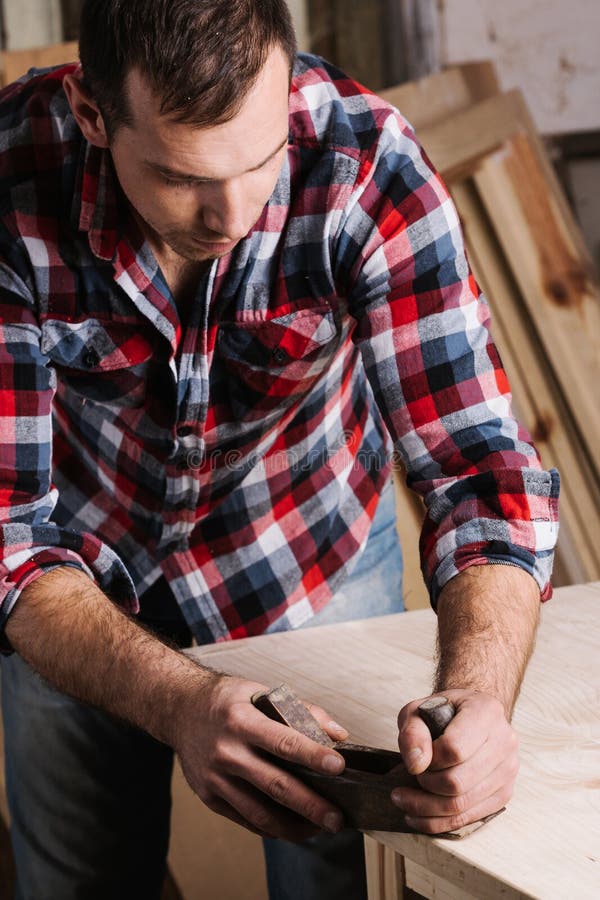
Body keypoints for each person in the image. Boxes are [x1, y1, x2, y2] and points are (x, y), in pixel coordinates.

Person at [0, 1, 559, 898]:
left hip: (305, 549)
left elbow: (480, 471)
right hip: (74, 581)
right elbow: (6, 539)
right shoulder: (9, 182)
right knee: (80, 880)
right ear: (93, 115)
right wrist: (176, 701)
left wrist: (481, 700)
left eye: (260, 162)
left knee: (342, 876)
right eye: (183, 177)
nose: (230, 215)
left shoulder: (367, 165)